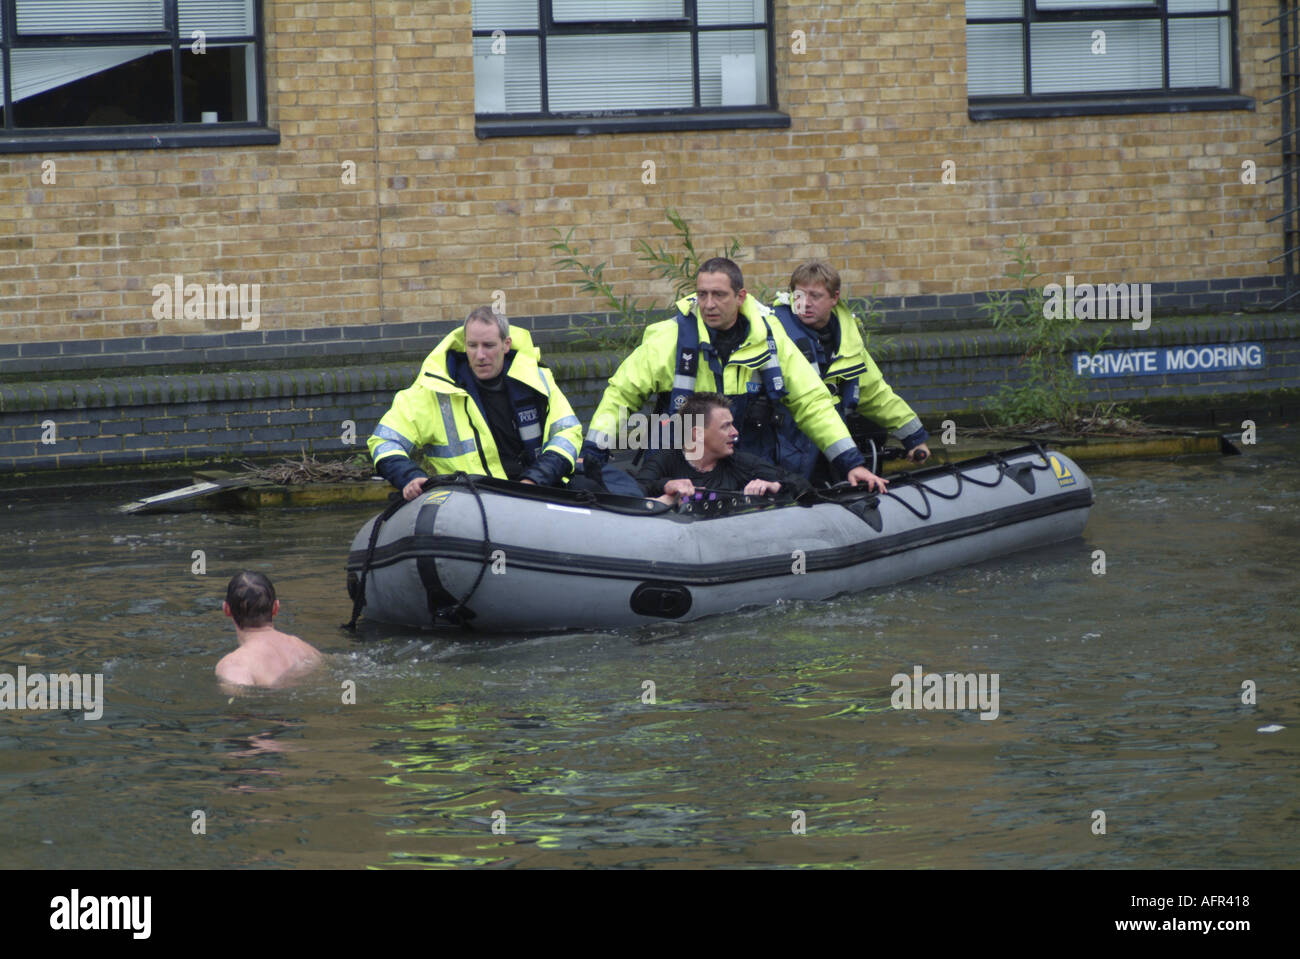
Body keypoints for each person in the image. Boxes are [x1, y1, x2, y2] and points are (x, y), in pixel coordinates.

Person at [580, 257, 888, 493]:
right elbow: (621, 394)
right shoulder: (670, 339)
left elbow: (813, 403)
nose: (709, 304)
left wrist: (850, 462)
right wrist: (593, 452)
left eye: (718, 295)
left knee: (786, 488)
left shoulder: (772, 340)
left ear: (740, 297)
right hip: (680, 461)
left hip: (747, 461)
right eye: (702, 295)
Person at [368, 307, 583, 501]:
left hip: (537, 493)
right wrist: (410, 478)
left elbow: (568, 432)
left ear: (506, 344)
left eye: (488, 346)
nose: (480, 355)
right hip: (469, 503)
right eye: (472, 346)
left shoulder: (537, 381)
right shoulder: (434, 390)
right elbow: (384, 440)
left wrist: (534, 480)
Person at [771, 261, 930, 477]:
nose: (805, 303)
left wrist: (915, 439)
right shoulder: (775, 331)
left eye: (815, 296)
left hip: (833, 444)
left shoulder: (846, 338)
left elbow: (875, 393)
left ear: (834, 298)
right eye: (798, 296)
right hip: (786, 444)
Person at [636, 393, 812, 505]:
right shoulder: (665, 460)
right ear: (698, 434)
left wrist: (775, 487)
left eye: (733, 425)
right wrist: (666, 486)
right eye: (726, 426)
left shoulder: (741, 463)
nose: (735, 433)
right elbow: (633, 492)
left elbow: (803, 486)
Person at [216, 572, 321, 688]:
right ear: (276, 608)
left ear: (226, 609)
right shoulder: (307, 650)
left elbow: (238, 700)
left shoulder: (234, 665)